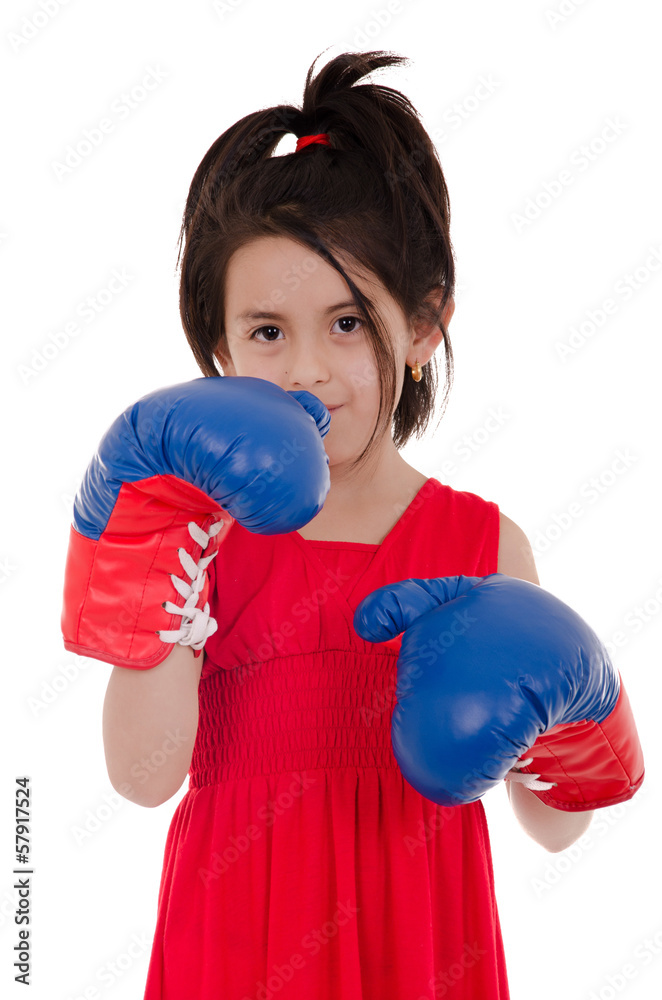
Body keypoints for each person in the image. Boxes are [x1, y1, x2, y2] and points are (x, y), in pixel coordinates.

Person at [61, 49, 644, 999]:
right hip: (237, 940)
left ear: (421, 326)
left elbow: (558, 824)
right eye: (266, 332)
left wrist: (588, 701)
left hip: (422, 948)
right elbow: (143, 774)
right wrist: (146, 553)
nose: (306, 370)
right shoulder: (203, 534)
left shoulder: (484, 543)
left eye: (345, 323)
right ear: (217, 347)